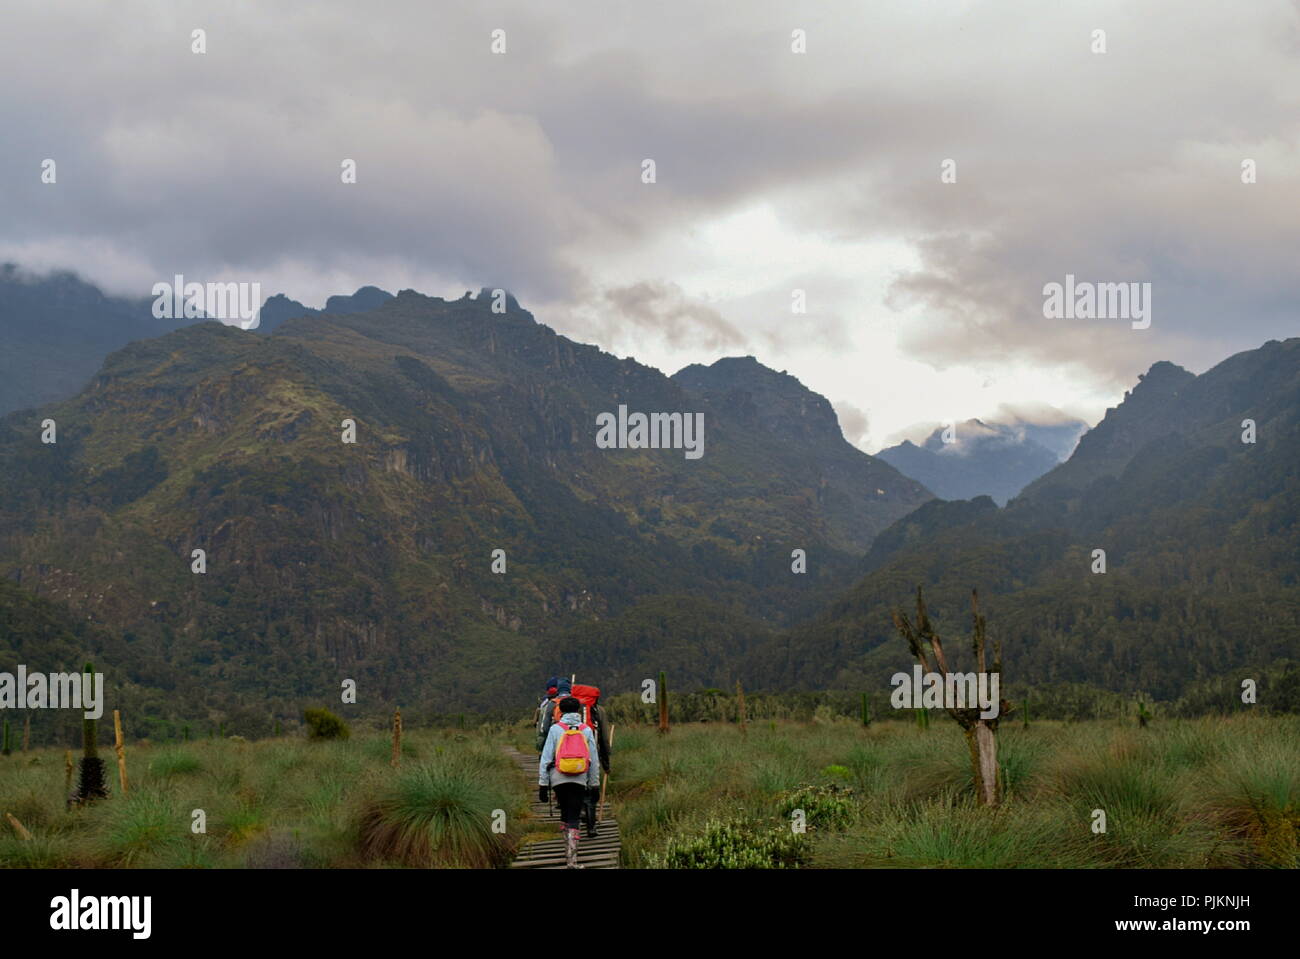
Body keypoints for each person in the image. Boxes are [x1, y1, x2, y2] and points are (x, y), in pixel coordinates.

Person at [538, 696, 601, 868]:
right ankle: (572, 860)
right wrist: (594, 784)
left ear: (561, 711)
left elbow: (546, 757)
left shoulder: (555, 729)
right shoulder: (586, 729)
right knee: (574, 813)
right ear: (579, 711)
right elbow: (593, 760)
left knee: (565, 812)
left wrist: (543, 784)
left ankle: (568, 850)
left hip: (558, 777)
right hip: (580, 778)